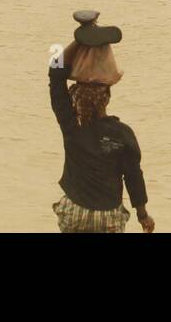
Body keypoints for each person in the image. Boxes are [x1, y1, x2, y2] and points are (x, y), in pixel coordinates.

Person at [49, 40, 155, 233]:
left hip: (75, 213)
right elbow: (133, 176)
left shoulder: (71, 125)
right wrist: (142, 215)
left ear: (76, 95)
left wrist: (79, 40)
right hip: (108, 217)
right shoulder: (122, 134)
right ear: (107, 97)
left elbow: (55, 74)